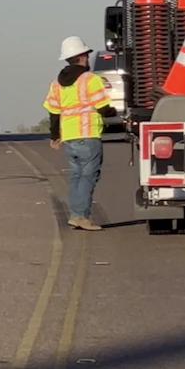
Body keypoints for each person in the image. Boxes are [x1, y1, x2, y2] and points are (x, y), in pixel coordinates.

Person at [43, 36, 117, 231]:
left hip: (69, 136)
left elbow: (53, 112)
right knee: (88, 176)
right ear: (83, 57)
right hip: (88, 133)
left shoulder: (56, 84)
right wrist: (115, 113)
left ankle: (76, 214)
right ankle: (81, 216)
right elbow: (102, 108)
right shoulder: (90, 80)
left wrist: (54, 136)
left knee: (76, 175)